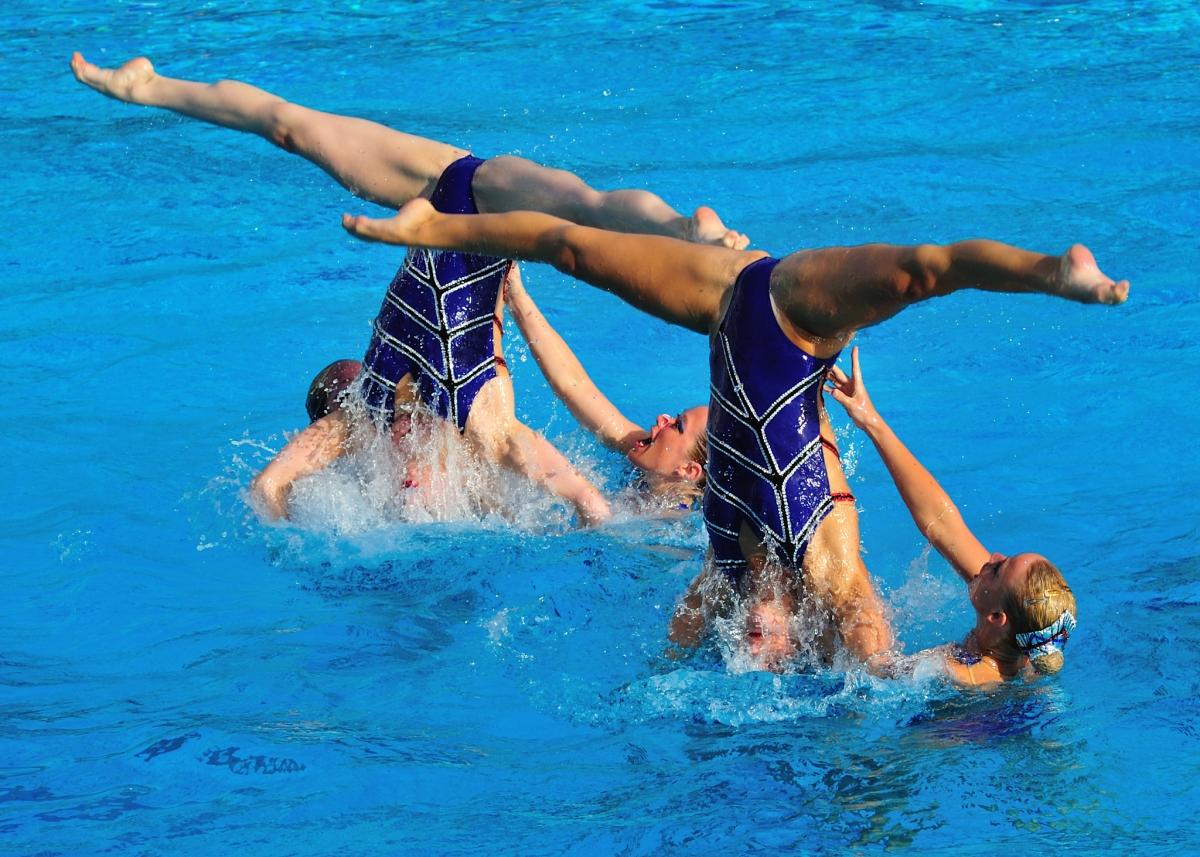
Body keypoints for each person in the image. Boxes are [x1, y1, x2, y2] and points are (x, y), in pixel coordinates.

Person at [339, 197, 1126, 667]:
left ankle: (450, 225)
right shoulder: (828, 560)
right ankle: (1054, 272)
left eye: (994, 568)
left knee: (575, 249)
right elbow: (918, 552)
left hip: (727, 300)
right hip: (795, 319)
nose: (983, 560)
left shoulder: (718, 569)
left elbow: (671, 658)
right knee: (920, 270)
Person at [69, 53, 745, 520]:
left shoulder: (362, 416)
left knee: (582, 211)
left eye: (679, 427)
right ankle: (148, 87)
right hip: (469, 201)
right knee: (291, 128)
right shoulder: (484, 427)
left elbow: (269, 483)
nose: (396, 416)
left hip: (448, 194)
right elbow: (580, 465)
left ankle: (689, 229)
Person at [826, 348, 1077, 684]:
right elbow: (941, 523)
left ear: (997, 617)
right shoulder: (1018, 633)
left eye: (998, 568)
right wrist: (869, 418)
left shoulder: (954, 677)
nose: (992, 557)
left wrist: (855, 593)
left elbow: (875, 672)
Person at [503, 266, 708, 509]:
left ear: (688, 470)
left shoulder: (670, 526)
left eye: (677, 425)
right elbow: (574, 385)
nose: (663, 418)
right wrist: (516, 294)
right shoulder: (646, 455)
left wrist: (585, 497)